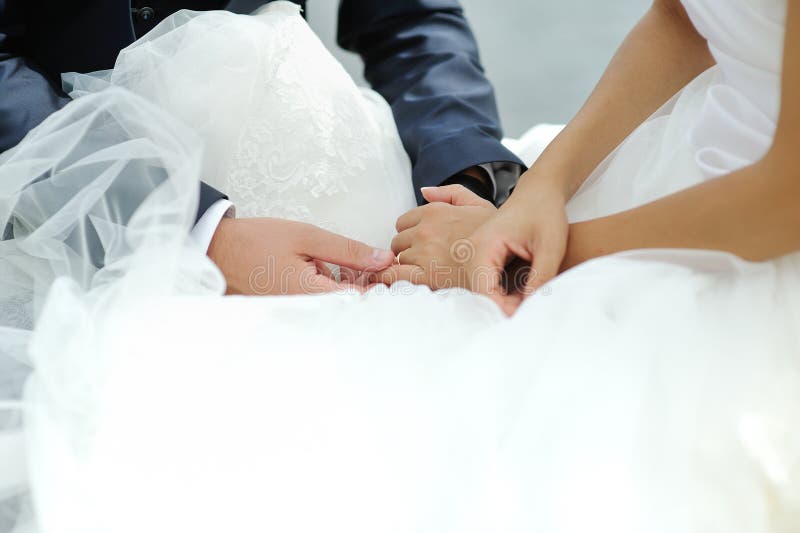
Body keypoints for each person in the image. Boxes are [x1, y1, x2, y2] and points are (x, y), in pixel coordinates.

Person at [1, 1, 798, 532]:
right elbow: (683, 16)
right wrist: (198, 228)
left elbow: (412, 16)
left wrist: (481, 180)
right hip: (55, 195)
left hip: (330, 170)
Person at [0, 0, 523, 295]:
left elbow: (410, 18)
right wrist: (201, 235)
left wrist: (465, 180)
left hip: (377, 210)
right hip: (86, 239)